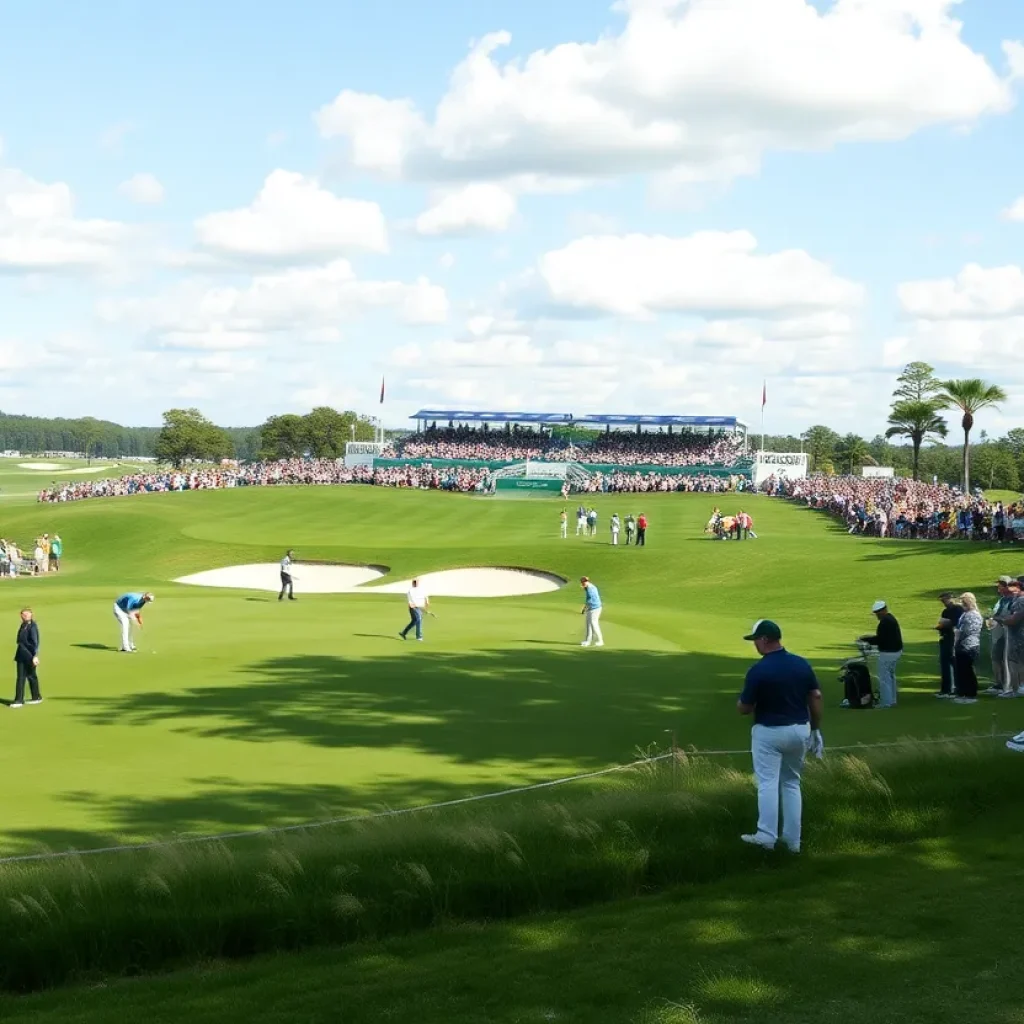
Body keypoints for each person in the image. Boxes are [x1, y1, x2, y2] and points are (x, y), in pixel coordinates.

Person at [737, 619, 823, 853]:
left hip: (769, 732)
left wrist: (741, 702)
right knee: (792, 783)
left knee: (767, 783)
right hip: (799, 730)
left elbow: (745, 708)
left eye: (755, 640)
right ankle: (793, 842)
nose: (755, 644)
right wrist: (815, 728)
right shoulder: (801, 664)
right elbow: (815, 696)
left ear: (764, 640)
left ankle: (766, 836)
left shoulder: (758, 670)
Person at [860, 600, 903, 708]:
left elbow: (880, 639)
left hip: (888, 653)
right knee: (890, 676)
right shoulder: (890, 619)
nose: (877, 615)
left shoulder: (885, 622)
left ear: (884, 610)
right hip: (896, 651)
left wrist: (867, 639)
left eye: (878, 612)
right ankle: (892, 700)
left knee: (884, 678)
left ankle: (886, 702)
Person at [993, 577, 1024, 697]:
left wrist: (999, 619)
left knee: (1016, 662)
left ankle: (1018, 688)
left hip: (1019, 636)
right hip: (1015, 635)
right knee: (1014, 661)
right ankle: (1015, 688)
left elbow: (1013, 620)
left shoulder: (1021, 601)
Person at [952, 593, 983, 704]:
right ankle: (963, 692)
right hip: (963, 645)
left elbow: (966, 630)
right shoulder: (966, 614)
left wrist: (957, 633)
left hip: (969, 645)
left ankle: (970, 694)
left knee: (967, 670)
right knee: (961, 669)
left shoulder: (972, 615)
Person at [986, 576, 1014, 695]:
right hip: (999, 631)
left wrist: (997, 618)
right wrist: (992, 617)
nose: (998, 589)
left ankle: (1010, 685)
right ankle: (1000, 683)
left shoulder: (1014, 599)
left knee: (1009, 659)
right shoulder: (1002, 600)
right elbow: (997, 614)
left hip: (1010, 633)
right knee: (997, 657)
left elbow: (1012, 616)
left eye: (1000, 586)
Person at [11, 608, 41, 708]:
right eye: (23, 615)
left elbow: (35, 643)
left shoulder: (33, 627)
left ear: (31, 615)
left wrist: (35, 656)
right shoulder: (23, 625)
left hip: (29, 656)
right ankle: (21, 699)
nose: (25, 616)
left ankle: (34, 697)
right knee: (21, 678)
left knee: (31, 676)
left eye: (27, 614)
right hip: (20, 655)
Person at [935, 592, 962, 698]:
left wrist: (945, 624)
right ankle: (945, 688)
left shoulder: (958, 609)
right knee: (944, 664)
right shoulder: (945, 611)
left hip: (953, 639)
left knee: (953, 663)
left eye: (944, 600)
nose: (943, 602)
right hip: (945, 638)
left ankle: (954, 688)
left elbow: (956, 623)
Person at [579, 576, 604, 648]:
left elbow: (590, 600)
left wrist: (585, 608)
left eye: (584, 582)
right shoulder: (588, 587)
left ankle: (600, 641)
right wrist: (585, 608)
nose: (583, 584)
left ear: (586, 582)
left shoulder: (590, 588)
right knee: (588, 624)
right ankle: (587, 641)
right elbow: (588, 599)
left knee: (594, 623)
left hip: (595, 608)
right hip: (591, 608)